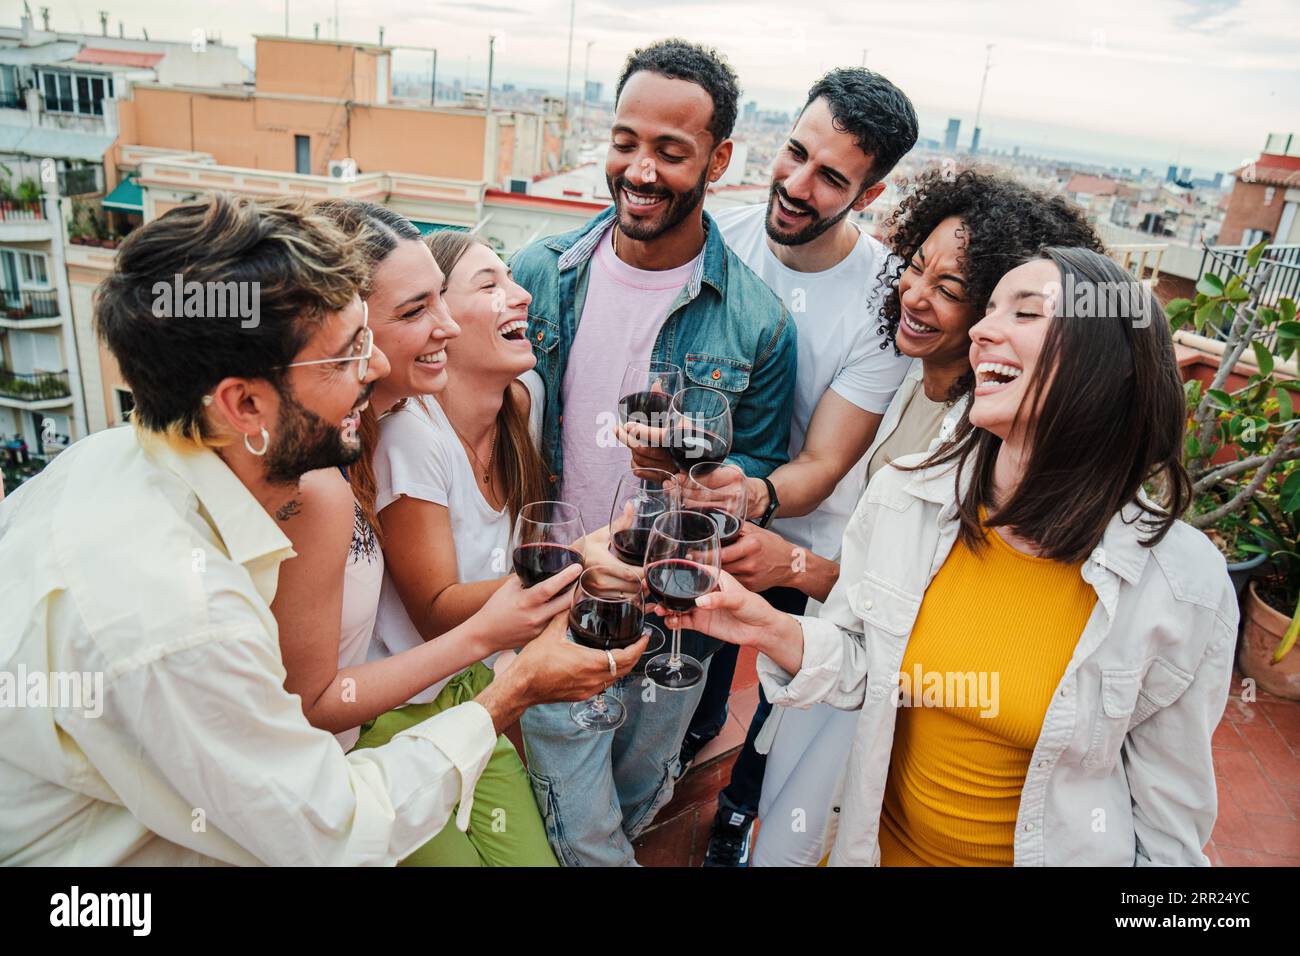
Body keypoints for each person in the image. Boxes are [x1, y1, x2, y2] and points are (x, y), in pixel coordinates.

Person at [0, 194, 642, 865]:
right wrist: (516, 688)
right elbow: (329, 831)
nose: (371, 369)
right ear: (244, 404)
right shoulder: (177, 622)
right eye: (345, 356)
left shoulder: (110, 460)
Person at [657, 246, 1237, 866]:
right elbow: (865, 666)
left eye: (1025, 314)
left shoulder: (1182, 585)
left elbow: (1168, 830)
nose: (984, 331)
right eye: (987, 311)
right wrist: (770, 628)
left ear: (1107, 361)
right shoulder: (906, 494)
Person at [721, 168, 1107, 866]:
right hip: (839, 652)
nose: (915, 295)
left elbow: (927, 606)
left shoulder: (992, 437)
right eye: (915, 268)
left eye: (951, 290)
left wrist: (798, 569)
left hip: (894, 706)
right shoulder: (909, 374)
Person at [508, 37, 797, 866]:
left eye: (671, 151)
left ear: (719, 158)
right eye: (626, 142)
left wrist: (695, 480)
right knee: (585, 834)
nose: (640, 169)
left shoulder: (758, 322)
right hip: (559, 598)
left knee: (632, 811)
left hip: (675, 627)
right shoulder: (540, 271)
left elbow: (761, 479)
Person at [269, 201, 575, 865]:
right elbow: (319, 701)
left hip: (442, 701)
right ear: (348, 327)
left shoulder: (383, 428)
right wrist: (501, 647)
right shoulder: (314, 480)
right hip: (351, 759)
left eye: (442, 299)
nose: (445, 326)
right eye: (415, 311)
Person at [677, 66, 919, 866]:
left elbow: (824, 458)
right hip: (712, 507)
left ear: (870, 195)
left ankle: (740, 815)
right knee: (699, 672)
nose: (797, 184)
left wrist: (753, 496)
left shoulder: (884, 299)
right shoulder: (723, 237)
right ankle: (690, 746)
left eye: (830, 177)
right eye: (794, 153)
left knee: (788, 692)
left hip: (809, 534)